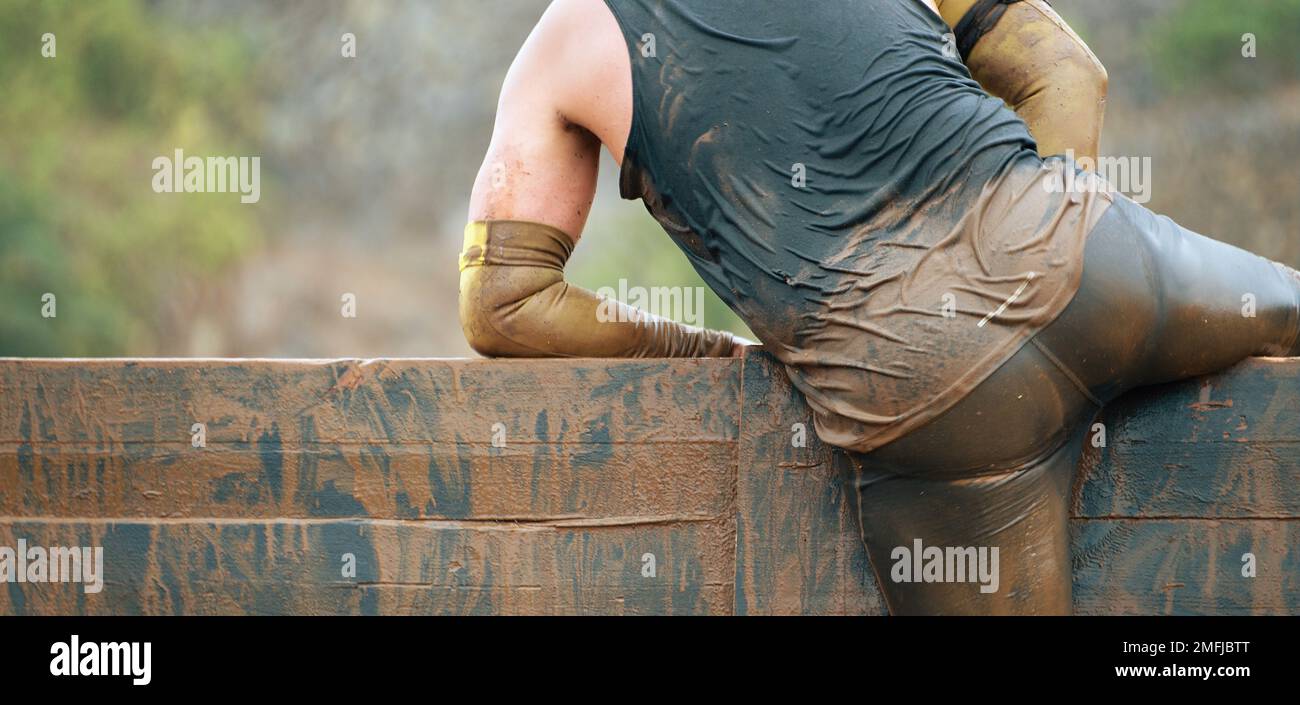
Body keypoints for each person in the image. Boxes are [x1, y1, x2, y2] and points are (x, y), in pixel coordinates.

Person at [458, 0, 1300, 614]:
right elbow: (1067, 70)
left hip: (919, 391)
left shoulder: (567, 41)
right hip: (1099, 265)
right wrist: (1056, 245)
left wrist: (708, 356)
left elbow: (505, 302)